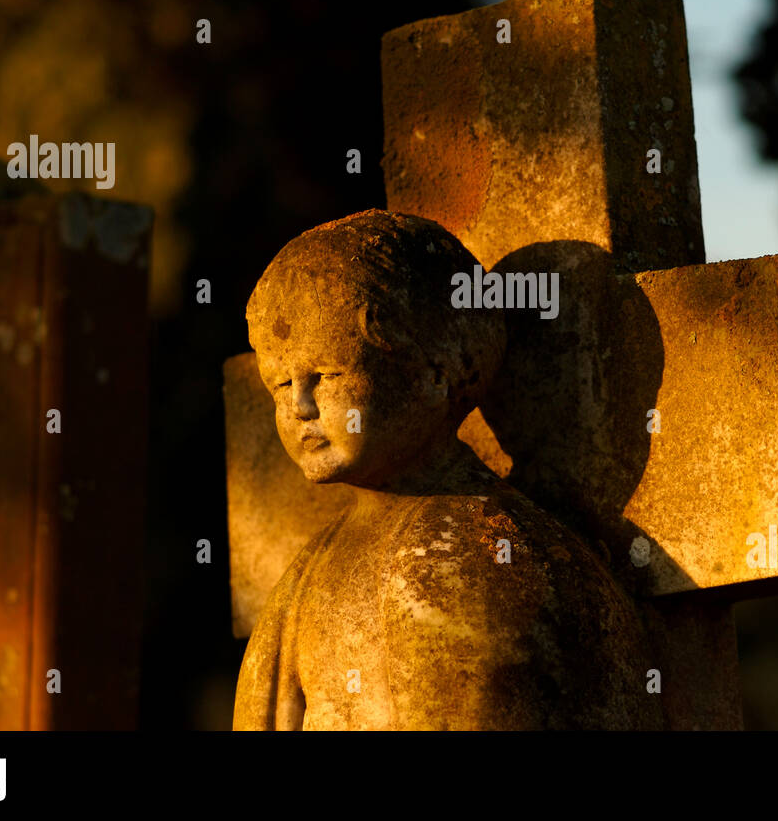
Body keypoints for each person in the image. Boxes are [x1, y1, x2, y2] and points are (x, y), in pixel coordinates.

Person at [233, 210, 662, 729]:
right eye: (279, 385)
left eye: (326, 374)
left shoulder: (480, 559)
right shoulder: (307, 575)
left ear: (435, 370)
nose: (299, 405)